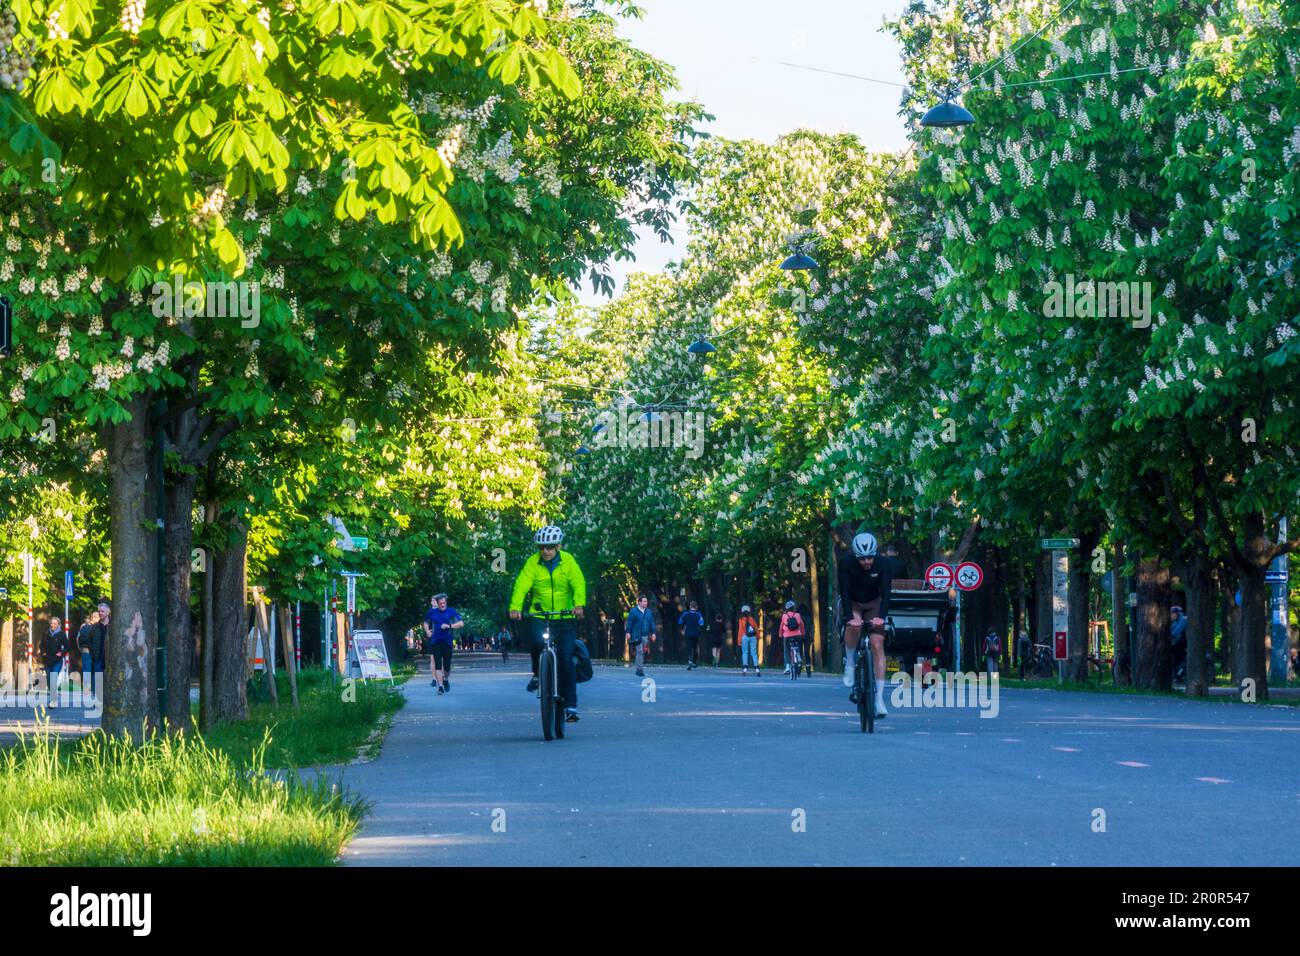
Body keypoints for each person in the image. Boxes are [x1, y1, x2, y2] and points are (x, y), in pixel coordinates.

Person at [509, 525, 586, 722]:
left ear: (557, 546)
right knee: (536, 642)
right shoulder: (532, 563)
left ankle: (571, 705)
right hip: (540, 615)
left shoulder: (568, 561)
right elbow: (521, 585)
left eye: (550, 547)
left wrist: (578, 605)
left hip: (565, 617)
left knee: (566, 659)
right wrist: (516, 606)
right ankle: (537, 673)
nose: (545, 551)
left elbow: (578, 582)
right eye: (542, 547)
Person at [838, 532, 892, 718]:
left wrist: (881, 617)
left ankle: (879, 699)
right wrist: (848, 617)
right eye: (862, 559)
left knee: (877, 644)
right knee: (855, 626)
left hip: (873, 602)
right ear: (855, 556)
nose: (867, 562)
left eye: (870, 557)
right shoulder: (845, 563)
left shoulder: (883, 564)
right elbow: (844, 591)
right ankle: (851, 662)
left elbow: (886, 593)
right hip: (853, 601)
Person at [423, 593, 464, 694]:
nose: (442, 605)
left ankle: (445, 679)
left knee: (447, 667)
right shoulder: (432, 612)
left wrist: (449, 626)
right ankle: (440, 687)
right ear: (437, 603)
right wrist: (427, 631)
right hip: (435, 642)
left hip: (448, 642)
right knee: (438, 665)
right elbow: (425, 622)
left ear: (446, 602)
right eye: (440, 603)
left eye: (444, 603)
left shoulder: (451, 611)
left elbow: (461, 623)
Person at [625, 593, 657, 678]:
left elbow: (652, 623)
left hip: (645, 635)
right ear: (639, 602)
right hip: (636, 635)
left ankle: (639, 668)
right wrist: (628, 632)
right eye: (644, 601)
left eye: (646, 601)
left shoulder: (649, 612)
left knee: (643, 652)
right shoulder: (633, 611)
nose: (646, 603)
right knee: (639, 651)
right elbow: (629, 622)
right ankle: (639, 670)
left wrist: (653, 633)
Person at [43, 617, 71, 696]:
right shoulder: (46, 633)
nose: (53, 625)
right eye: (52, 623)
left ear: (58, 625)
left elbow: (68, 647)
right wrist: (43, 652)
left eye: (55, 624)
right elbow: (41, 645)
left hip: (57, 660)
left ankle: (53, 691)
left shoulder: (61, 634)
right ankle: (50, 689)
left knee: (54, 675)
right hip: (47, 659)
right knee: (49, 676)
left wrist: (61, 653)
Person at [779, 600, 805, 674]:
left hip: (787, 636)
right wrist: (802, 633)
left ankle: (787, 667)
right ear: (794, 608)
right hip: (797, 635)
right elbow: (802, 625)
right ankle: (798, 655)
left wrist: (780, 634)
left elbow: (781, 627)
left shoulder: (784, 616)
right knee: (798, 645)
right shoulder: (798, 615)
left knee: (786, 650)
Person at [678, 601, 705, 670]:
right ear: (696, 607)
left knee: (689, 647)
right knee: (695, 648)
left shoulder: (685, 614)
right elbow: (702, 623)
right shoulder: (698, 615)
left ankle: (689, 660)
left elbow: (680, 621)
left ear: (690, 607)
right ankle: (694, 662)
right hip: (696, 633)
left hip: (688, 633)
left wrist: (685, 623)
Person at [736, 605, 760, 676]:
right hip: (753, 637)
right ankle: (757, 668)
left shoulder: (741, 620)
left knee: (745, 653)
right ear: (749, 612)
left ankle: (745, 668)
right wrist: (757, 637)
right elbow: (756, 628)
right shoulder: (752, 619)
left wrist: (739, 640)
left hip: (744, 637)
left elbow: (740, 630)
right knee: (754, 653)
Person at [1170, 605, 1187, 683]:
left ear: (1177, 613)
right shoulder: (1176, 622)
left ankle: (1178, 674)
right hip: (1180, 644)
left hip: (1185, 644)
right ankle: (1178, 674)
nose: (1170, 615)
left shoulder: (1183, 620)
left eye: (1171, 613)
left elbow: (1175, 633)